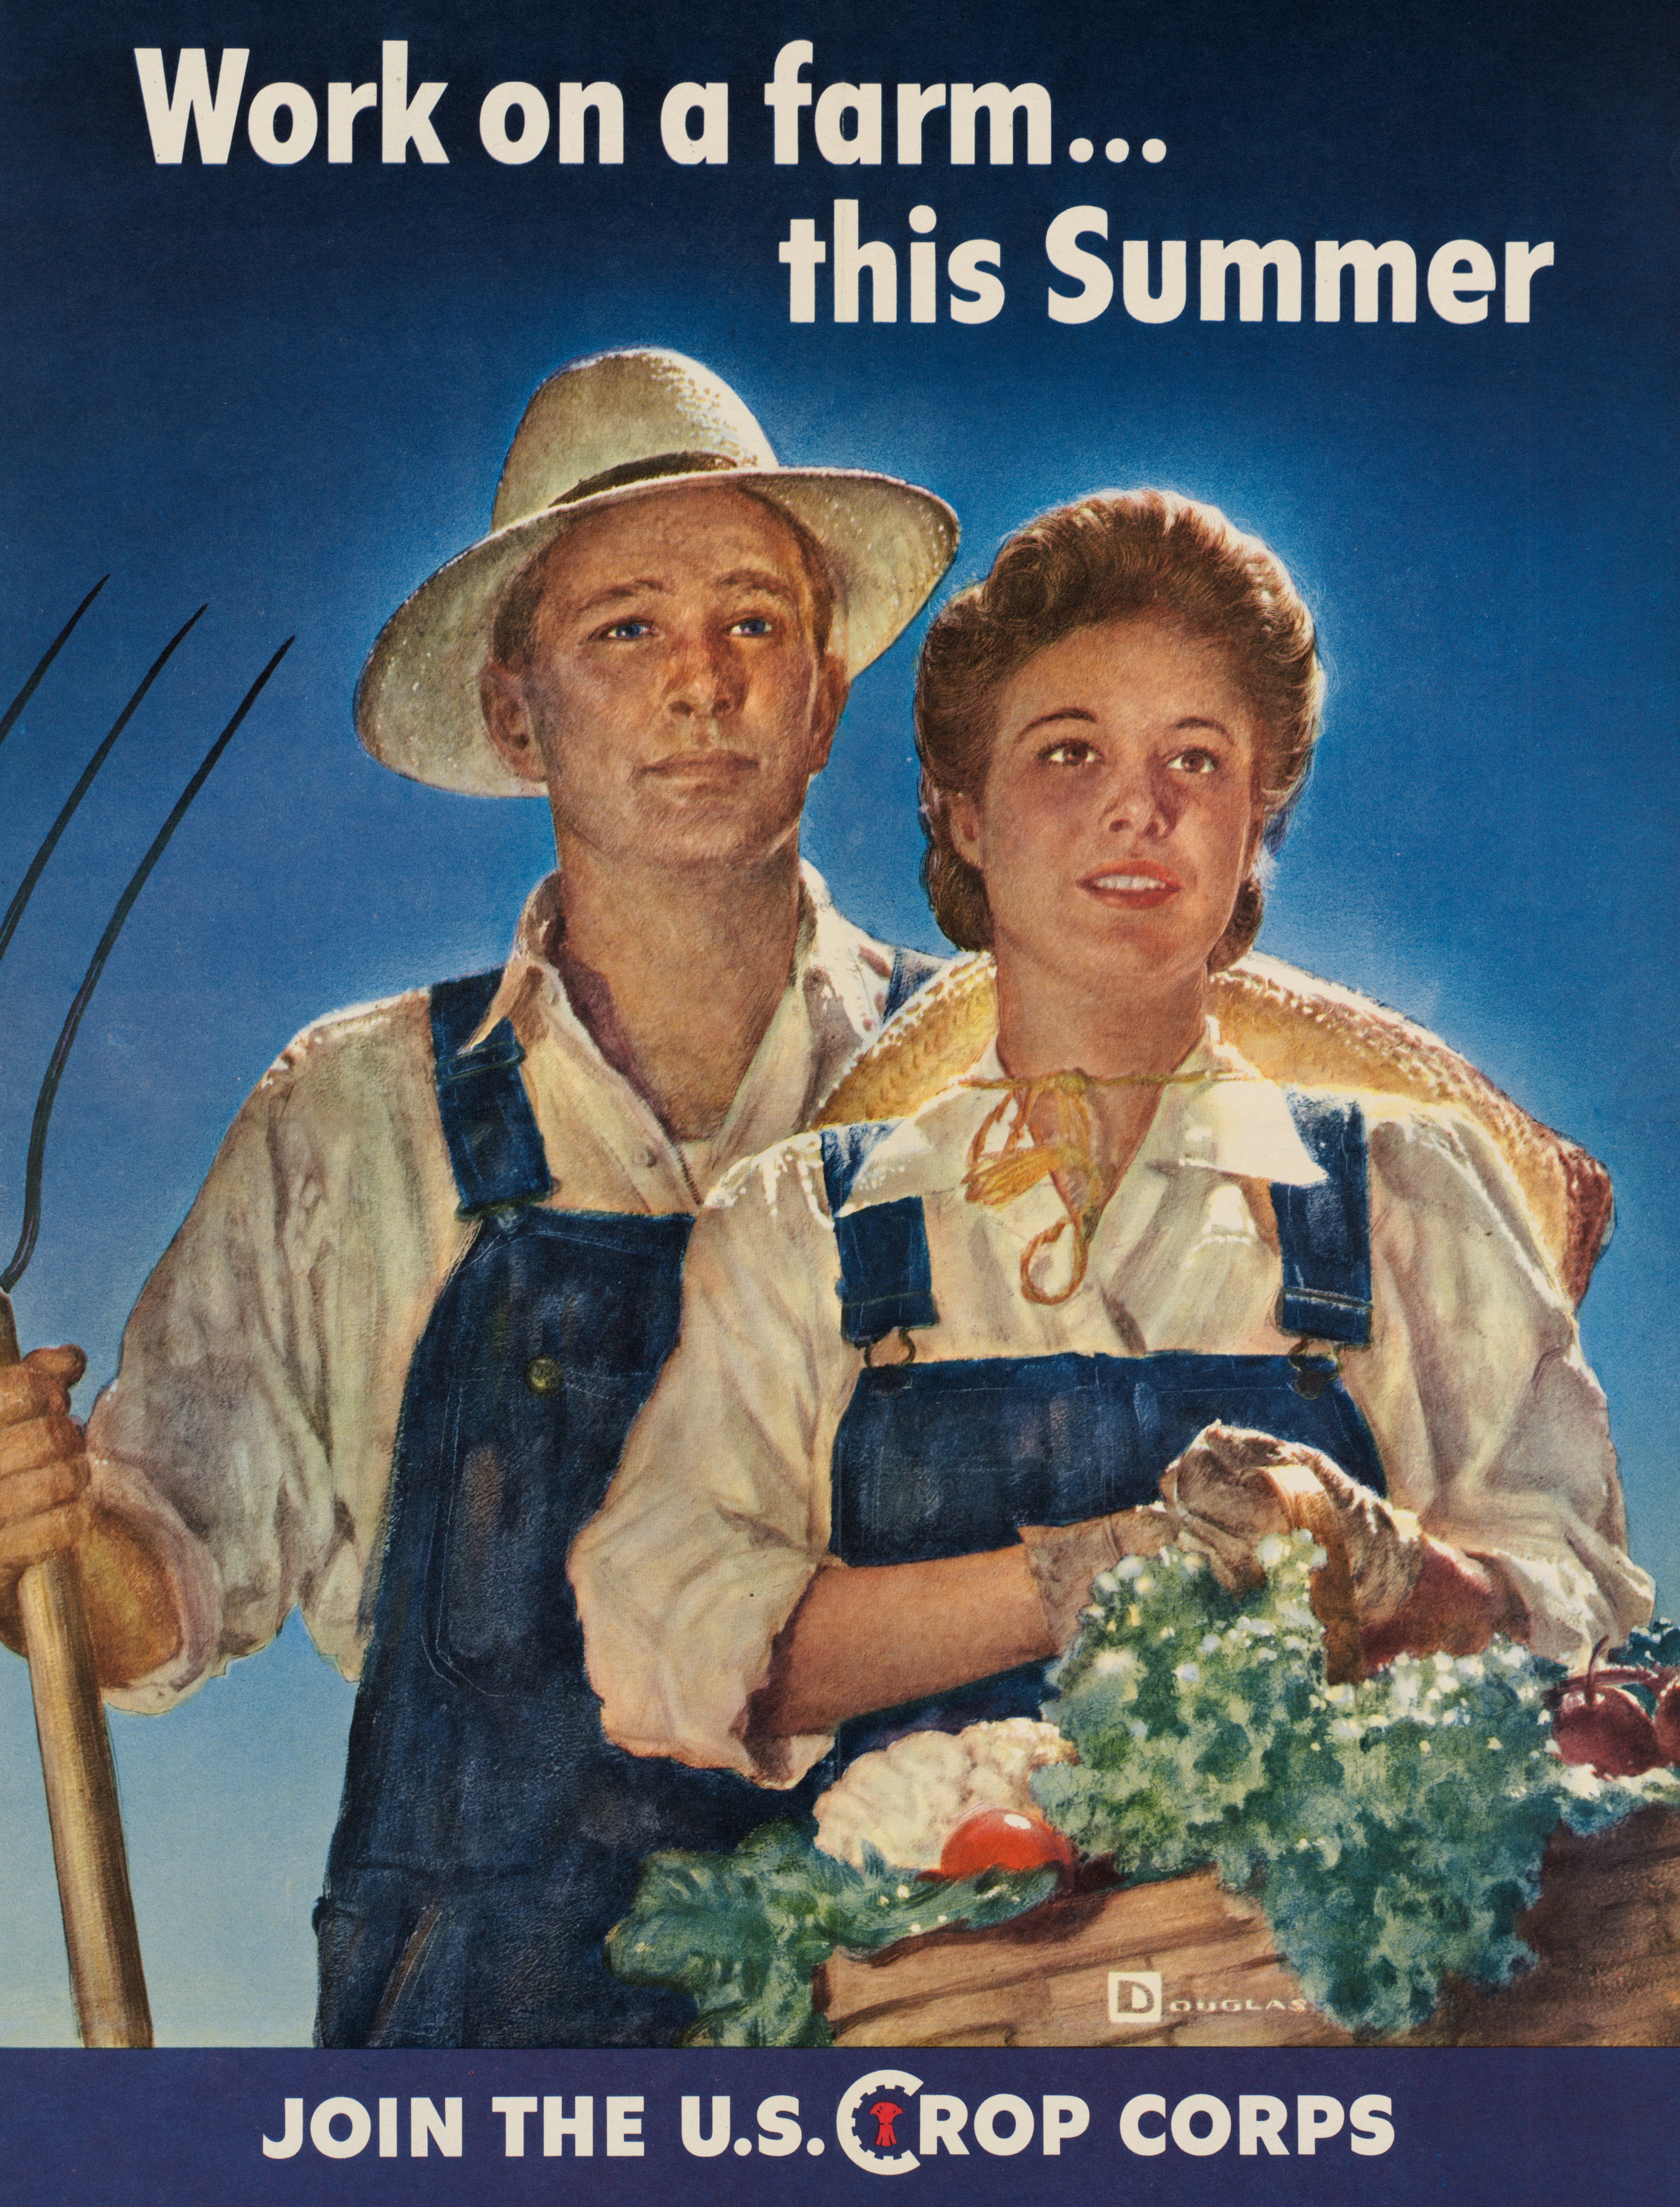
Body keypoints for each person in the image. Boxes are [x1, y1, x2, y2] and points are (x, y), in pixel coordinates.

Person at [0, 346, 958, 2045]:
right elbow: (155, 1593)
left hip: (927, 2029)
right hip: (485, 2088)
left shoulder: (978, 1080)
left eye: (751, 625)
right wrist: (32, 1528)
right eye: (624, 633)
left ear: (821, 697)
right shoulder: (350, 1119)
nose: (699, 685)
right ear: (520, 714)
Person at [569, 488, 1652, 1804]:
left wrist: (1398, 1576)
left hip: (1318, 2001)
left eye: (1196, 759)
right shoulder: (802, 1225)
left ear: (1258, 819)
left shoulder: (1412, 1192)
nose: (1140, 810)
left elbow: (1587, 1619)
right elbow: (660, 1642)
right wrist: (1066, 1580)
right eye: (1070, 754)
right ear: (964, 814)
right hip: (946, 1983)